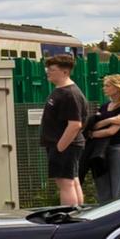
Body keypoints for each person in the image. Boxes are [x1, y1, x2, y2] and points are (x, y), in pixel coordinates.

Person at [40, 54, 88, 207]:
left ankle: (69, 217)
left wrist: (61, 146)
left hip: (66, 145)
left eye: (52, 70)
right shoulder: (61, 91)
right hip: (63, 144)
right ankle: (77, 212)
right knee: (72, 180)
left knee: (65, 183)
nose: (48, 72)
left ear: (65, 72)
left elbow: (75, 124)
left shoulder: (70, 93)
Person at [85, 74, 120, 204]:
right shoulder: (104, 106)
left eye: (108, 85)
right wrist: (110, 119)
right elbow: (94, 125)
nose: (104, 88)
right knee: (103, 187)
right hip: (101, 151)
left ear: (118, 87)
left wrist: (91, 135)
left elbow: (111, 131)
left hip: (118, 149)